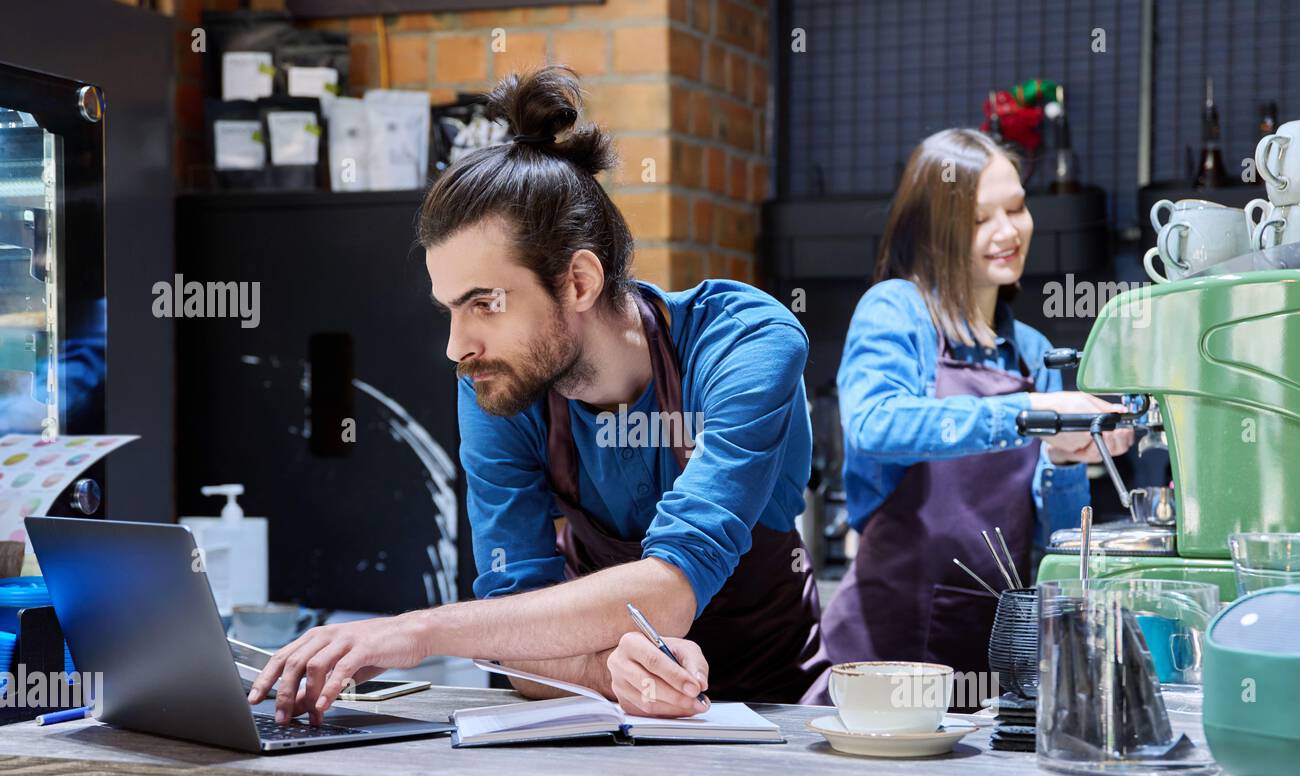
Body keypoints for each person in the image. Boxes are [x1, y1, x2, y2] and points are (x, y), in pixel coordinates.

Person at [249, 65, 829, 723]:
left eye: (484, 304)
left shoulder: (742, 342)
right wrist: (607, 673)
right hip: (611, 722)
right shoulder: (499, 384)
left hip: (779, 712)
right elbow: (510, 624)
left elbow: (670, 586)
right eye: (449, 310)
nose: (456, 346)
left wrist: (413, 631)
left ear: (579, 282)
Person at [815, 128, 1132, 694]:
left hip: (991, 650)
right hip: (882, 654)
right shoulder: (896, 311)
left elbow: (1057, 536)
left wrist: (1064, 460)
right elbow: (874, 425)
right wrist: (1029, 411)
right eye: (982, 219)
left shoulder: (1033, 351)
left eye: (1016, 209)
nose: (1008, 232)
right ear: (936, 230)